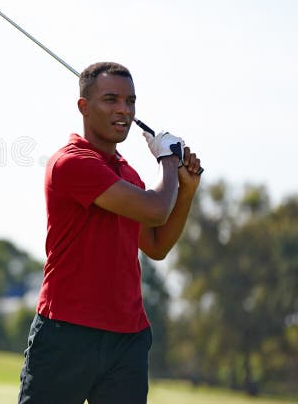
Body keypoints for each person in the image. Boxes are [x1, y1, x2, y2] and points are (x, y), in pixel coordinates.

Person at [17, 62, 202, 404]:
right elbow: (156, 209)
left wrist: (186, 190)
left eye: (130, 101)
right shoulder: (71, 163)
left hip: (127, 338)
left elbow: (156, 245)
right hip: (66, 332)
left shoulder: (128, 175)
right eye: (111, 99)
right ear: (83, 107)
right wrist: (167, 161)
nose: (124, 110)